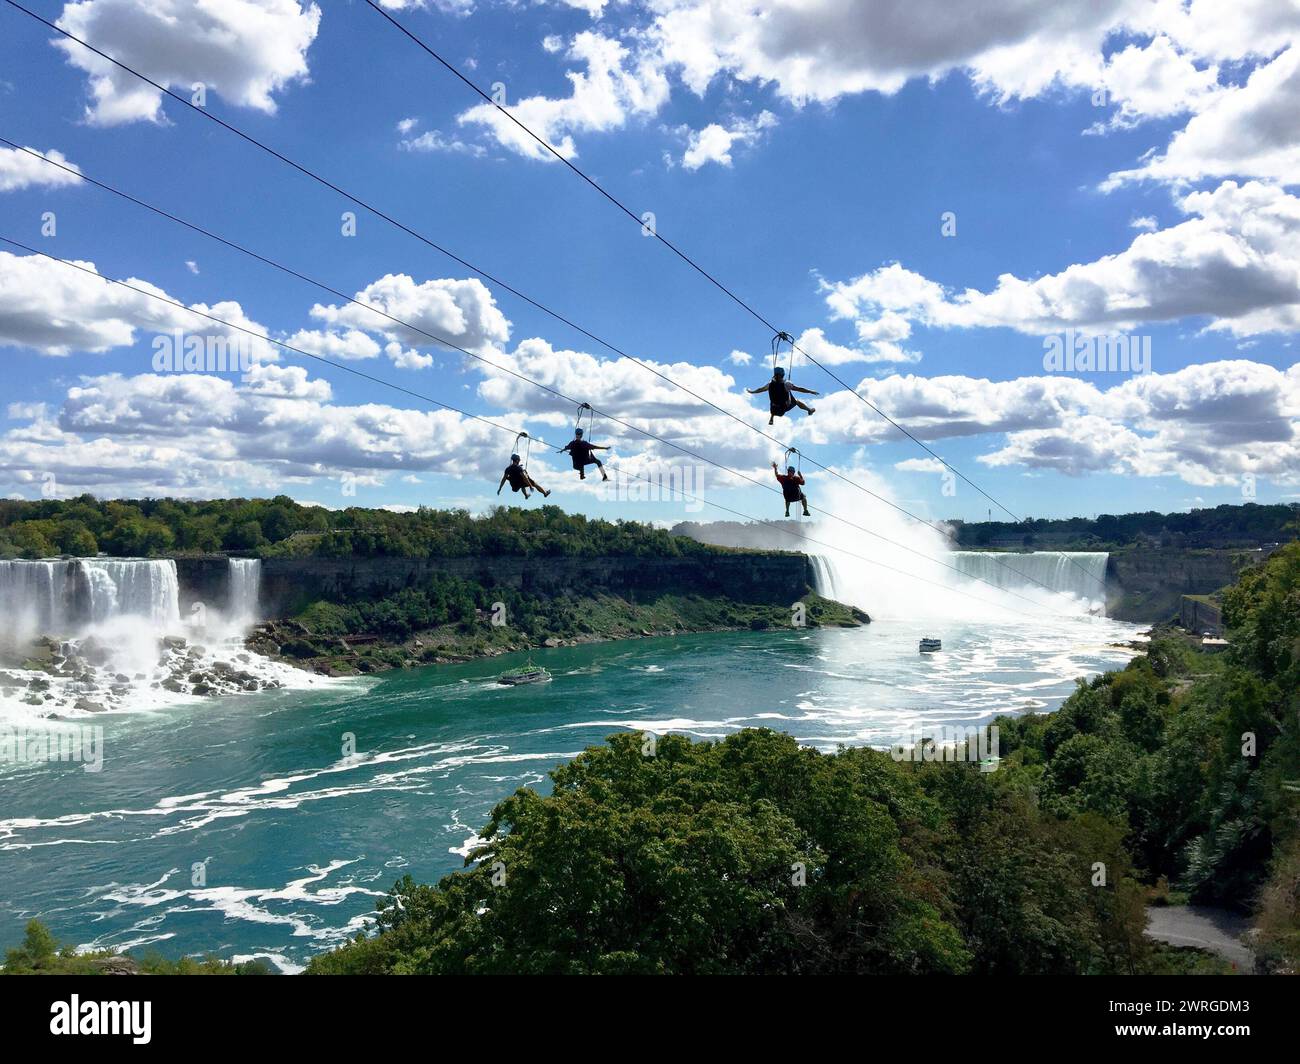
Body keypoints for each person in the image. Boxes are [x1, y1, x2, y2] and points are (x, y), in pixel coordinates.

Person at [748, 367, 818, 425]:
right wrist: (810, 391)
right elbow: (799, 389)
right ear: (783, 375)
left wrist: (752, 392)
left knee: (774, 398)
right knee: (796, 401)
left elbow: (761, 389)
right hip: (783, 408)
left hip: (774, 409)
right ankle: (809, 410)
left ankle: (772, 418)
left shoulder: (770, 384)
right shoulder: (787, 384)